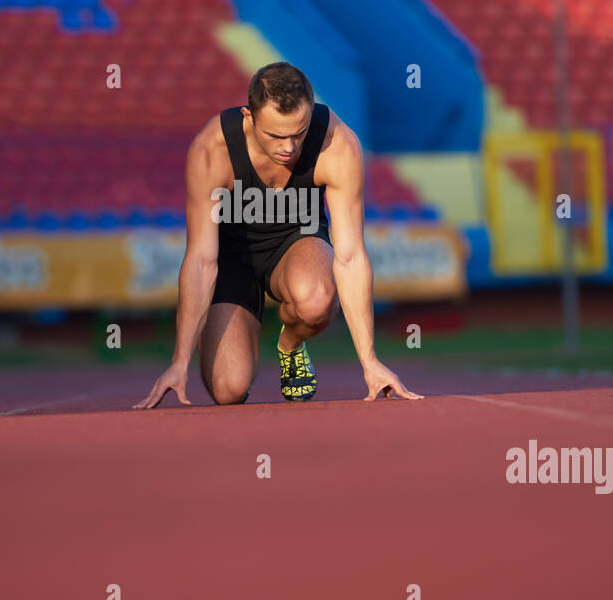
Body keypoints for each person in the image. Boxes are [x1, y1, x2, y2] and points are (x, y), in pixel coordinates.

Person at [133, 62, 423, 408]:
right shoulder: (212, 151)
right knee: (228, 390)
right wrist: (179, 363)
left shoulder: (337, 144)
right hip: (232, 260)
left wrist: (370, 361)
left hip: (296, 246)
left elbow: (350, 256)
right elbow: (200, 260)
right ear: (249, 116)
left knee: (315, 300)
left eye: (298, 133)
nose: (289, 148)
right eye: (275, 136)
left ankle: (290, 343)